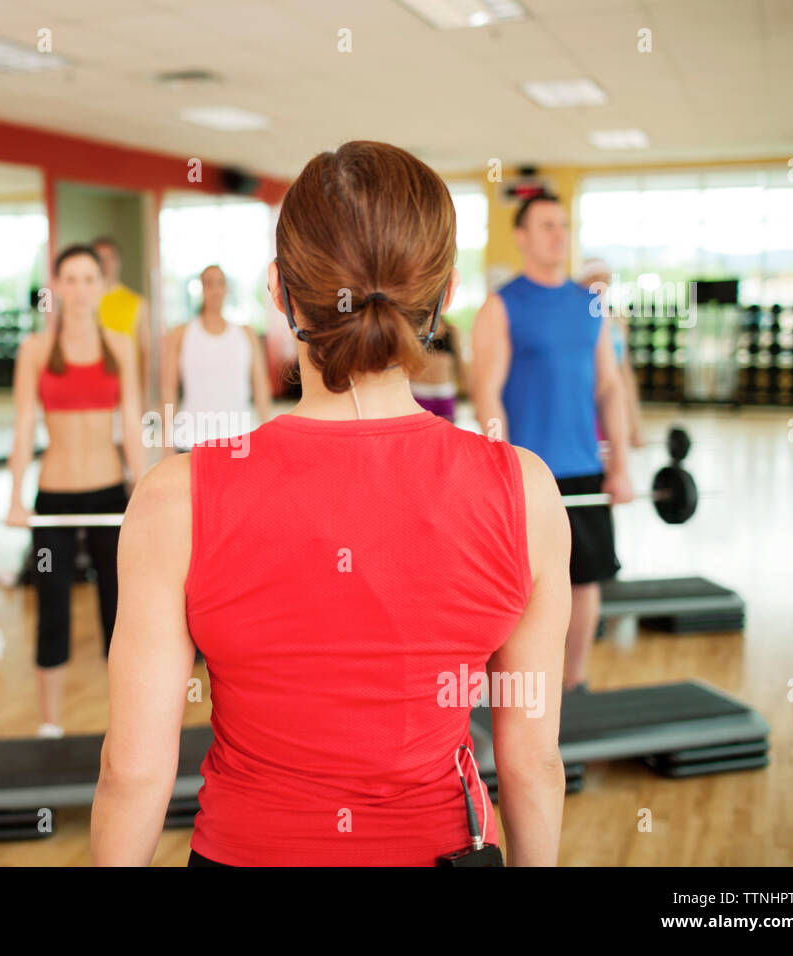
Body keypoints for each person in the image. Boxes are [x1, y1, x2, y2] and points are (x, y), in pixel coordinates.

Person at [91, 141, 571, 866]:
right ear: (442, 300)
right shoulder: (527, 490)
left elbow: (132, 773)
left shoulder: (174, 498)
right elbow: (532, 763)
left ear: (280, 293)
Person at [470, 196, 635, 694]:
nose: (558, 234)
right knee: (521, 590)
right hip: (527, 474)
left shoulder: (588, 306)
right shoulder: (501, 306)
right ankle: (520, 688)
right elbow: (487, 392)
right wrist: (502, 463)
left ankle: (575, 681)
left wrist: (621, 466)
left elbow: (609, 388)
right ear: (521, 236)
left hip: (583, 468)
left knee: (584, 583)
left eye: (563, 225)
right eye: (546, 226)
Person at [8, 245, 147, 739]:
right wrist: (14, 498)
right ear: (58, 287)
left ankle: (125, 726)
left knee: (119, 611)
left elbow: (131, 426)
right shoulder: (35, 351)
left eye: (90, 278)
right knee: (52, 610)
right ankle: (50, 724)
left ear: (101, 286)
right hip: (55, 498)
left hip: (110, 495)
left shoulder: (121, 345)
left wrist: (145, 490)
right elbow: (24, 425)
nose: (81, 288)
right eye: (71, 279)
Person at [159, 265, 271, 453]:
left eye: (220, 283)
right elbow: (168, 390)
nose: (215, 290)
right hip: (191, 441)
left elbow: (261, 388)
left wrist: (268, 437)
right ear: (201, 289)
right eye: (209, 284)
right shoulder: (180, 334)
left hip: (239, 440)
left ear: (227, 289)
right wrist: (165, 445)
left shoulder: (246, 334)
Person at [576, 258, 645, 449]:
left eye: (605, 280)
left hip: (612, 404)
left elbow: (625, 374)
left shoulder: (617, 321)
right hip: (585, 408)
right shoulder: (573, 321)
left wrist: (635, 423)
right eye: (594, 279)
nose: (600, 285)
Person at [92, 237, 151, 395]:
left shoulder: (137, 302)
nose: (105, 263)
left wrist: (142, 395)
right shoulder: (82, 303)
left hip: (125, 391)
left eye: (110, 257)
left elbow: (145, 352)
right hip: (91, 390)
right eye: (100, 258)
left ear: (118, 261)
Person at [409, 318, 469, 422]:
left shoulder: (452, 330)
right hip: (419, 394)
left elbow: (461, 363)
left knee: (446, 435)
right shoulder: (413, 330)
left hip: (444, 395)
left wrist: (470, 392)